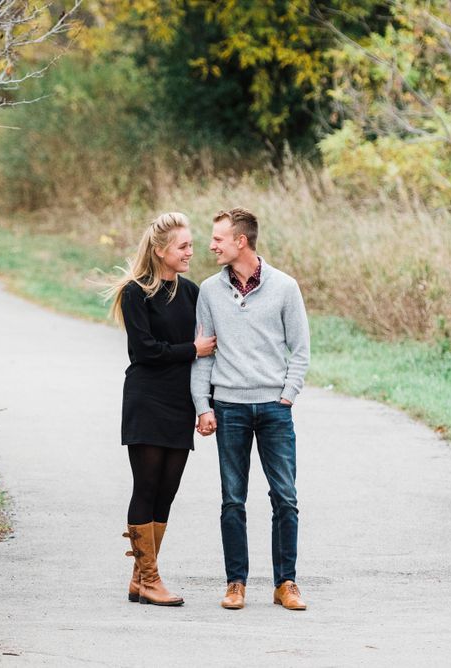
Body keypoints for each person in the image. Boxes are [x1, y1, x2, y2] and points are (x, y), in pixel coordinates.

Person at [190, 207, 310, 611]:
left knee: (285, 497)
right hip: (229, 408)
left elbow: (301, 349)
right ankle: (235, 583)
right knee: (232, 499)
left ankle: (286, 583)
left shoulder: (284, 287)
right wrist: (202, 405)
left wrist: (287, 395)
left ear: (241, 241)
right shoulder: (209, 290)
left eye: (218, 239)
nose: (211, 245)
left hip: (275, 408)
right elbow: (203, 355)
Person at [108, 212, 216, 607]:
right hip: (147, 398)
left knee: (167, 492)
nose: (191, 252)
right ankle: (150, 579)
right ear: (160, 251)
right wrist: (192, 350)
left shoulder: (191, 292)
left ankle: (140, 579)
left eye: (190, 245)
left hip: (180, 401)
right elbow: (145, 350)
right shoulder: (135, 292)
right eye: (183, 246)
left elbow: (206, 356)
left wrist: (206, 404)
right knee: (147, 487)